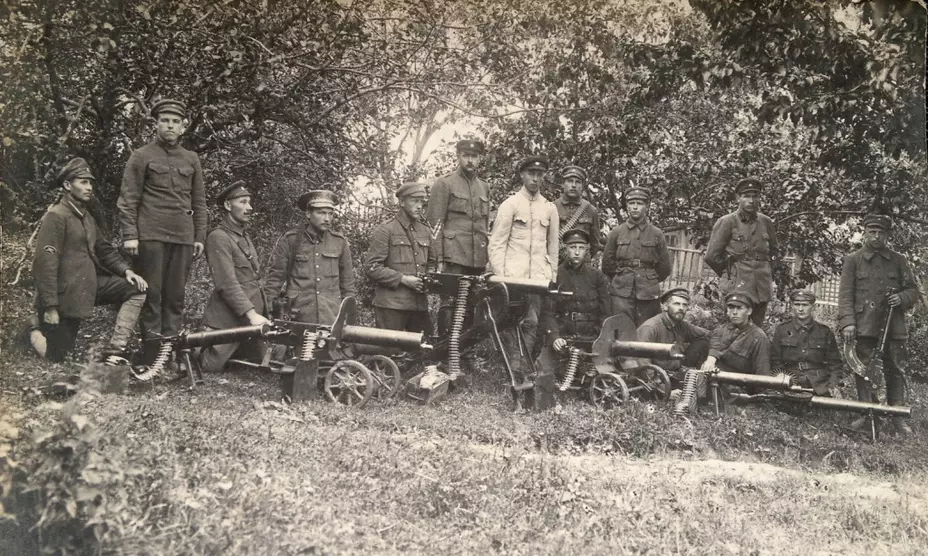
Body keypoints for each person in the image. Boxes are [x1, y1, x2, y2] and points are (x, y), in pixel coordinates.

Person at [28, 158, 148, 362]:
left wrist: (126, 271)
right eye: (83, 182)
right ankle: (32, 329)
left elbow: (104, 250)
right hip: (64, 296)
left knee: (137, 289)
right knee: (57, 357)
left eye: (90, 182)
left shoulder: (86, 217)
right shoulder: (56, 216)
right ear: (67, 185)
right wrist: (49, 306)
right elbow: (45, 264)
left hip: (89, 286)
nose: (89, 187)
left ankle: (116, 349)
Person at [117, 98, 207, 363]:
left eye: (175, 122)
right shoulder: (141, 156)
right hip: (151, 235)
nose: (170, 126)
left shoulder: (191, 159)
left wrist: (199, 236)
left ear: (183, 127)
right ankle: (152, 355)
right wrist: (130, 235)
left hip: (182, 237)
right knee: (152, 296)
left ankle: (172, 355)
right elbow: (128, 199)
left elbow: (199, 201)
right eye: (165, 120)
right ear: (155, 124)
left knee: (175, 297)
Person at [837, 213, 921, 434]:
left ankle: (897, 416)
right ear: (865, 233)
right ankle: (867, 414)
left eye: (880, 233)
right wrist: (847, 323)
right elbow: (845, 296)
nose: (876, 236)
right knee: (863, 370)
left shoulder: (899, 260)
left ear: (887, 235)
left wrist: (901, 299)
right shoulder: (853, 260)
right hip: (864, 326)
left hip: (893, 328)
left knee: (895, 369)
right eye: (872, 232)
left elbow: (913, 290)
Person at [488, 155, 559, 385]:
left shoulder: (549, 208)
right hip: (513, 277)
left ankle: (523, 368)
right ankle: (513, 367)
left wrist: (552, 276)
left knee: (532, 322)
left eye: (540, 175)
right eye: (531, 174)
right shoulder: (510, 205)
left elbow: (553, 248)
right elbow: (497, 243)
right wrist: (502, 277)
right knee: (510, 323)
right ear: (522, 175)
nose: (535, 179)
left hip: (537, 278)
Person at [425, 139, 491, 373]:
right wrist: (439, 259)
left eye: (474, 156)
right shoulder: (444, 184)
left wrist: (487, 257)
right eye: (465, 155)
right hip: (453, 256)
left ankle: (467, 354)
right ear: (458, 157)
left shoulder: (484, 187)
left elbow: (484, 224)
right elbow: (435, 224)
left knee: (473, 306)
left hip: (476, 258)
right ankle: (445, 355)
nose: (470, 160)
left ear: (479, 158)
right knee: (450, 304)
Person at [199, 181, 269, 372]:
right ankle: (190, 350)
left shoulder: (243, 236)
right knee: (210, 365)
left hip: (251, 317)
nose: (249, 208)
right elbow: (226, 283)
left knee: (272, 359)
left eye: (249, 203)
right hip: (229, 318)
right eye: (243, 202)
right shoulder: (218, 237)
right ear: (228, 206)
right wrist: (252, 314)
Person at [264, 190, 356, 325]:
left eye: (330, 213)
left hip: (331, 315)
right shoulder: (291, 240)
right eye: (321, 213)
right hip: (298, 315)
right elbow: (275, 279)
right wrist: (269, 311)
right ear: (308, 214)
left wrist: (349, 316)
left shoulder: (339, 242)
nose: (327, 218)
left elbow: (347, 284)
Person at [535, 229, 610, 383]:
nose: (576, 252)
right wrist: (554, 337)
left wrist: (598, 335)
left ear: (586, 250)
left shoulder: (597, 276)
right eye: (572, 247)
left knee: (597, 376)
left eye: (581, 248)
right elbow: (547, 312)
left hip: (591, 337)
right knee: (544, 373)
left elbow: (606, 311)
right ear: (565, 249)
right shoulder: (555, 276)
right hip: (564, 335)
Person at [705, 177, 779, 326]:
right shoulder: (727, 222)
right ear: (738, 198)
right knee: (734, 330)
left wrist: (766, 272)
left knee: (756, 330)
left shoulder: (766, 222)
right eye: (746, 196)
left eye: (755, 196)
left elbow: (774, 252)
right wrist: (730, 274)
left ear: (759, 198)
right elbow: (711, 256)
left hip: (761, 287)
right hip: (737, 286)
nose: (751, 200)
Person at [364, 182, 433, 335]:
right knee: (388, 351)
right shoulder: (385, 230)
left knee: (424, 351)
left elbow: (432, 263)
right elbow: (372, 267)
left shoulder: (425, 231)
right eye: (415, 201)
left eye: (422, 201)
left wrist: (429, 279)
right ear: (402, 202)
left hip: (418, 305)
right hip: (391, 306)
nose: (419, 206)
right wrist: (403, 279)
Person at [601, 186, 671, 327]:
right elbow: (607, 264)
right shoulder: (617, 232)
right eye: (631, 203)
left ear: (646, 206)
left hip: (648, 292)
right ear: (627, 206)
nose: (635, 207)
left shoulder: (656, 233)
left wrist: (649, 277)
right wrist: (621, 276)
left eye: (639, 204)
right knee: (621, 328)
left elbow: (665, 267)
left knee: (647, 329)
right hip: (622, 290)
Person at [770, 289, 842, 397]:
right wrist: (782, 378)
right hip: (791, 382)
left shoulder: (824, 331)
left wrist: (833, 385)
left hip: (819, 384)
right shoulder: (782, 330)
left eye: (805, 305)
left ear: (812, 306)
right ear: (792, 306)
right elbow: (775, 360)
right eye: (797, 304)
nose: (800, 309)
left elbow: (835, 363)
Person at [636, 287, 709, 385]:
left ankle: (699, 381)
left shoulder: (681, 325)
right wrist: (662, 388)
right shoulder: (650, 327)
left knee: (703, 343)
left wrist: (712, 357)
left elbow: (709, 334)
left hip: (675, 371)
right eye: (676, 304)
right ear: (665, 306)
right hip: (658, 377)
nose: (681, 308)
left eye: (685, 305)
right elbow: (643, 364)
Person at [700, 290, 771, 380]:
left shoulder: (759, 338)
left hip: (739, 388)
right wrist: (711, 359)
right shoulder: (721, 330)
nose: (734, 312)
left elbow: (762, 374)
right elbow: (713, 342)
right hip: (714, 382)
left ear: (749, 311)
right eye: (731, 308)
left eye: (739, 308)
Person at [553, 165, 602, 263]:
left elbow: (594, 244)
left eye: (578, 182)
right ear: (563, 184)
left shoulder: (591, 210)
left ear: (582, 186)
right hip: (558, 264)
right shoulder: (552, 207)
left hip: (582, 265)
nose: (574, 185)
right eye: (570, 181)